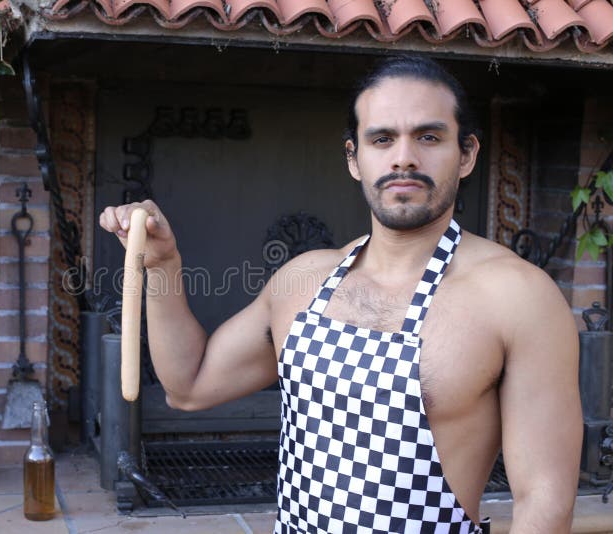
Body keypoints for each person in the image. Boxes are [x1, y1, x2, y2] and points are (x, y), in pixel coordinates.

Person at [99, 56, 582, 533]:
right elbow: (189, 385)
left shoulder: (518, 297)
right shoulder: (304, 280)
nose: (404, 158)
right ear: (354, 158)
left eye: (429, 137)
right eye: (382, 138)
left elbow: (545, 501)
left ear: (468, 154)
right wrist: (162, 264)